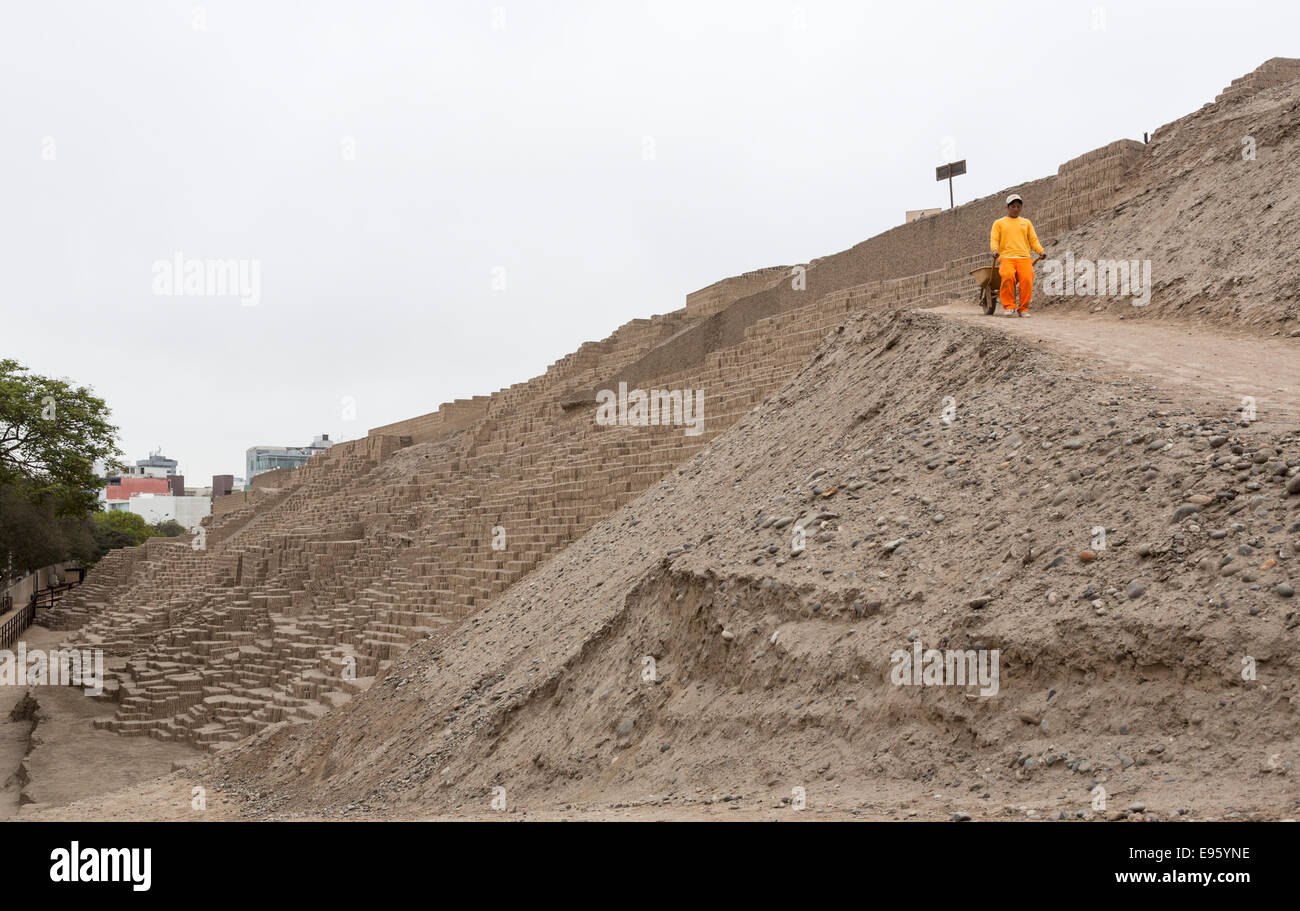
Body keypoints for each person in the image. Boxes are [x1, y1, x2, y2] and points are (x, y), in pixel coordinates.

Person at [989, 194, 1047, 317]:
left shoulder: (1026, 223)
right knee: (1008, 276)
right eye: (1013, 206)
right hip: (1006, 257)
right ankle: (1009, 307)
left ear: (1021, 208)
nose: (1016, 209)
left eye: (1018, 206)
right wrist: (994, 250)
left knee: (1027, 279)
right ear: (1007, 207)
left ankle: (1023, 309)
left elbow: (1033, 240)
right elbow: (994, 239)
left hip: (1024, 257)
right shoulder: (999, 223)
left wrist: (1041, 251)